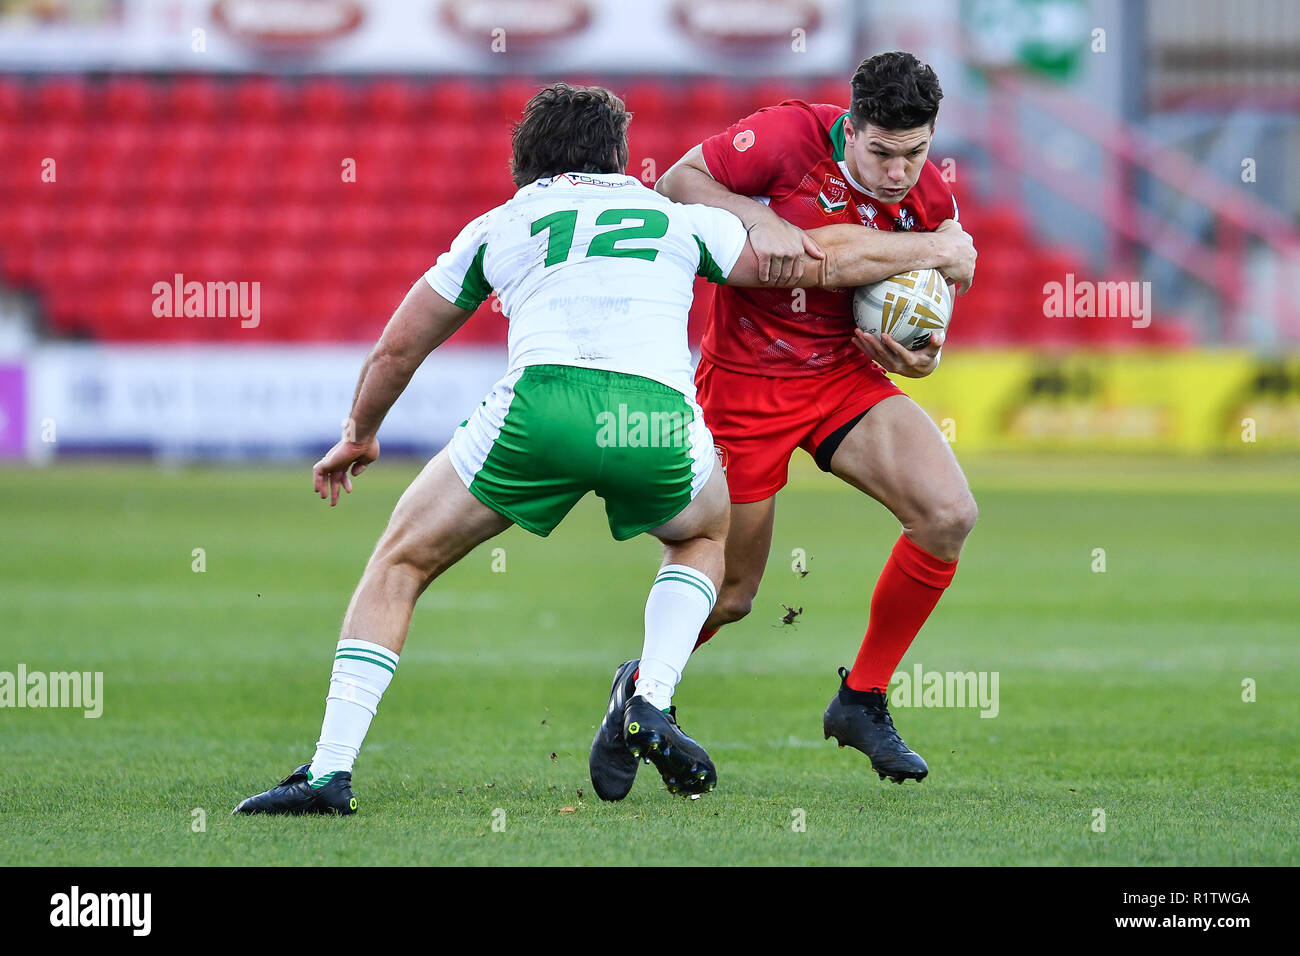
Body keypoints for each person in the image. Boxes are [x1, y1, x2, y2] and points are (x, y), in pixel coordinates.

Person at [232, 82, 918, 814]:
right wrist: (928, 250)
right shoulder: (676, 218)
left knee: (400, 562)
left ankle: (328, 774)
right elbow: (814, 262)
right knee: (705, 536)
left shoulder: (503, 221)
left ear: (524, 165)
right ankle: (651, 696)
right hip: (655, 418)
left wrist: (359, 434)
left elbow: (399, 349)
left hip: (542, 410)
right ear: (620, 158)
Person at [590, 51, 979, 799]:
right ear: (850, 128)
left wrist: (923, 361)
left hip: (842, 374)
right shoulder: (786, 137)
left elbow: (931, 315)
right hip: (745, 384)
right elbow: (677, 185)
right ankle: (637, 696)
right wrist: (758, 213)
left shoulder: (929, 195)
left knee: (948, 514)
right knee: (733, 593)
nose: (900, 172)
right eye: (883, 152)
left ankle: (861, 699)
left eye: (917, 152)